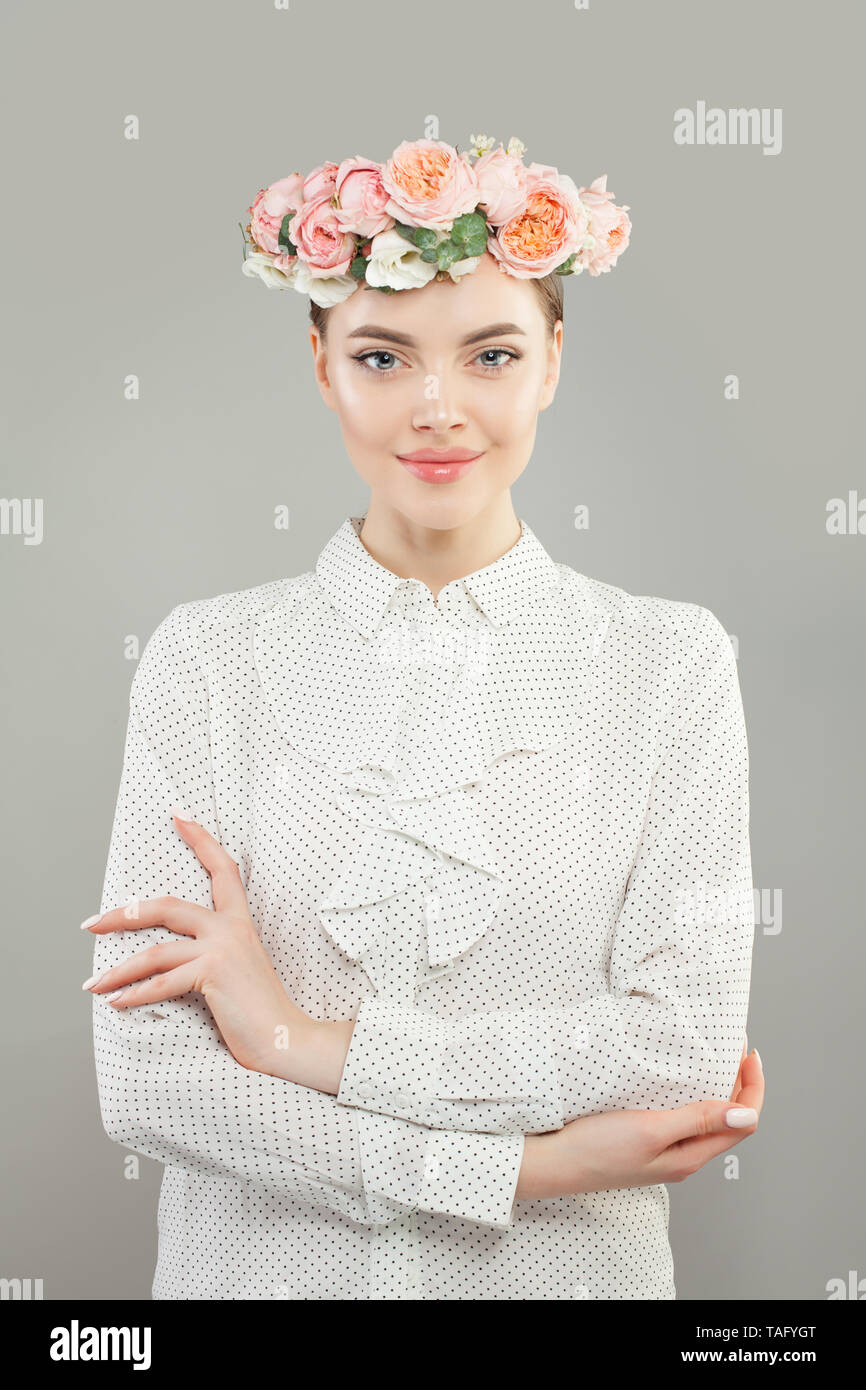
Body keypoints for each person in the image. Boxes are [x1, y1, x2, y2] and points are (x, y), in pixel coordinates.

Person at [83, 135, 764, 1300]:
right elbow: (150, 1082)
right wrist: (522, 1169)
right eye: (383, 355)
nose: (436, 407)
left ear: (551, 360)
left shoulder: (670, 663)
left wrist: (302, 1046)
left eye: (489, 353)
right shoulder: (206, 658)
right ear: (319, 364)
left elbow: (679, 1052)